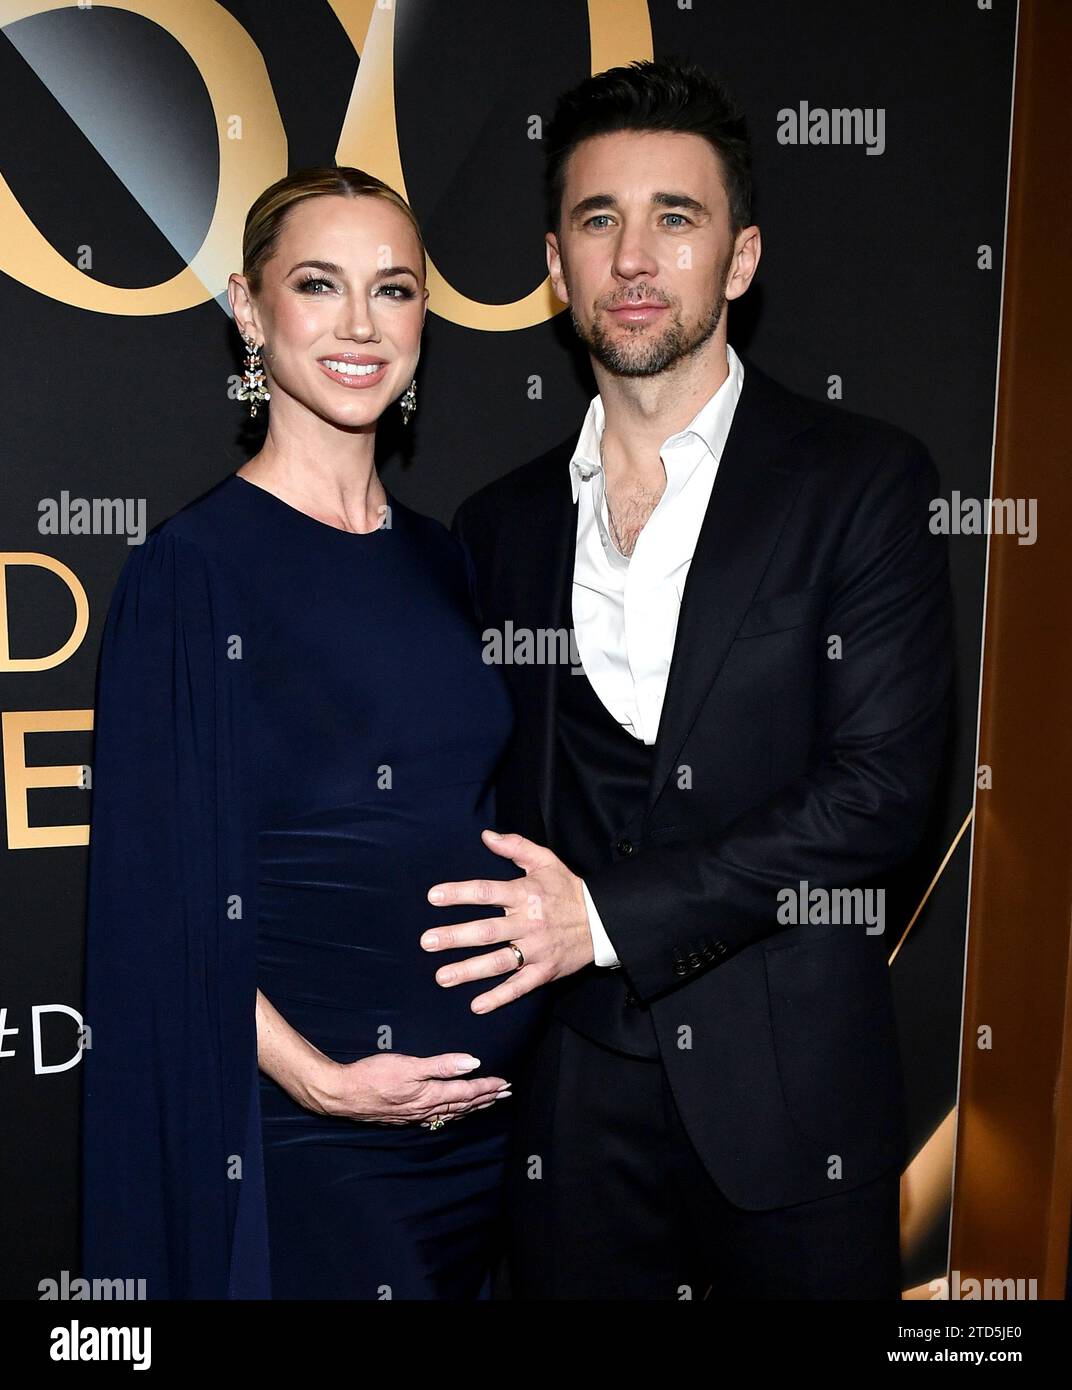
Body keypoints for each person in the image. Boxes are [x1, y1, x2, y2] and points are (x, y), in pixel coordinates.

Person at [431, 58, 954, 1298]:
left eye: (676, 217)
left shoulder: (858, 481)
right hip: (563, 1113)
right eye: (597, 219)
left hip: (794, 1107)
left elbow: (879, 796)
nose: (633, 258)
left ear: (741, 257)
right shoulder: (495, 524)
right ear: (554, 266)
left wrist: (606, 921)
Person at [80, 166, 546, 1300]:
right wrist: (319, 1080)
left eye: (392, 291)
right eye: (318, 285)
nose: (358, 325)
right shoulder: (192, 572)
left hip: (484, 1135)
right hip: (307, 1135)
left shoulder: (446, 557)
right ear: (249, 309)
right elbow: (153, 904)